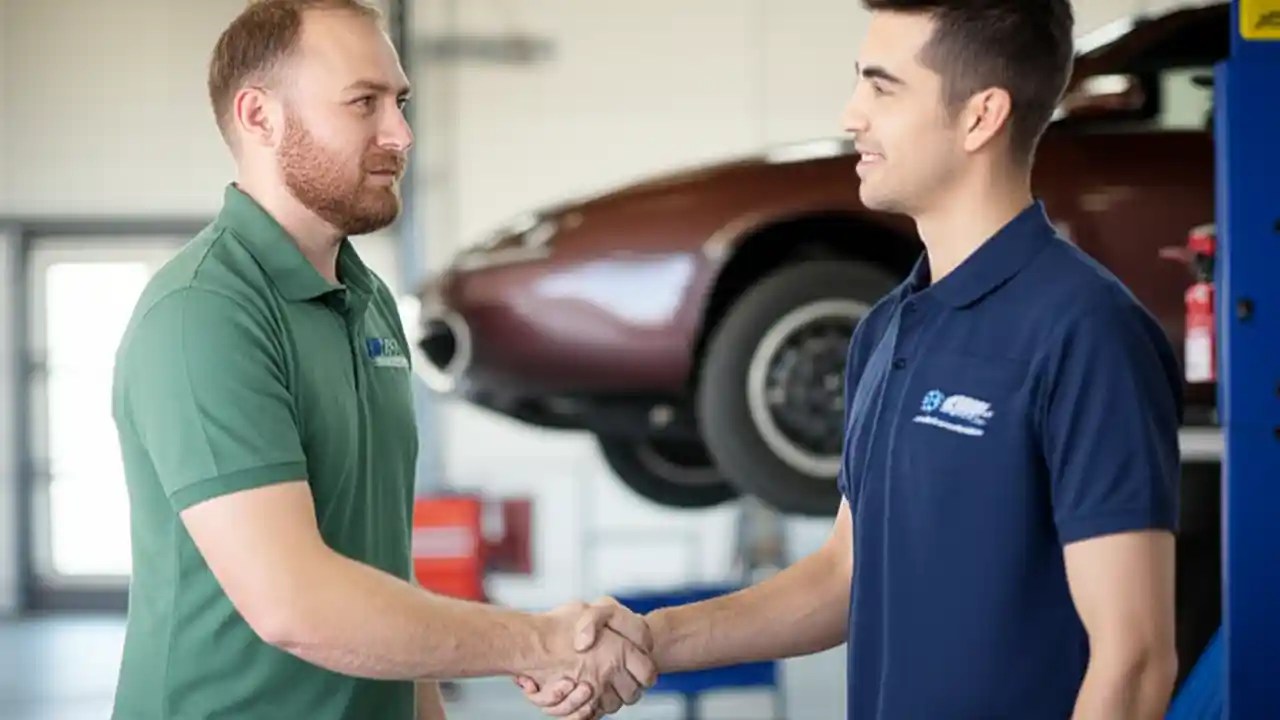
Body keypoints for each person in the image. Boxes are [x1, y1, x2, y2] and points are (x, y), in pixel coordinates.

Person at [520, 1, 1183, 718]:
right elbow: (843, 575)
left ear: (980, 116)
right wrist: (650, 637)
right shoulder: (888, 328)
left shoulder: (1085, 331)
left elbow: (1135, 659)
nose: (851, 114)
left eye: (882, 86)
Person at [109, 2, 655, 719]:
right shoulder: (202, 313)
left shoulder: (366, 300)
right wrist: (538, 641)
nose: (401, 135)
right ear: (258, 116)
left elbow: (382, 571)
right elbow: (293, 602)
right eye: (363, 102)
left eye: (398, 102)